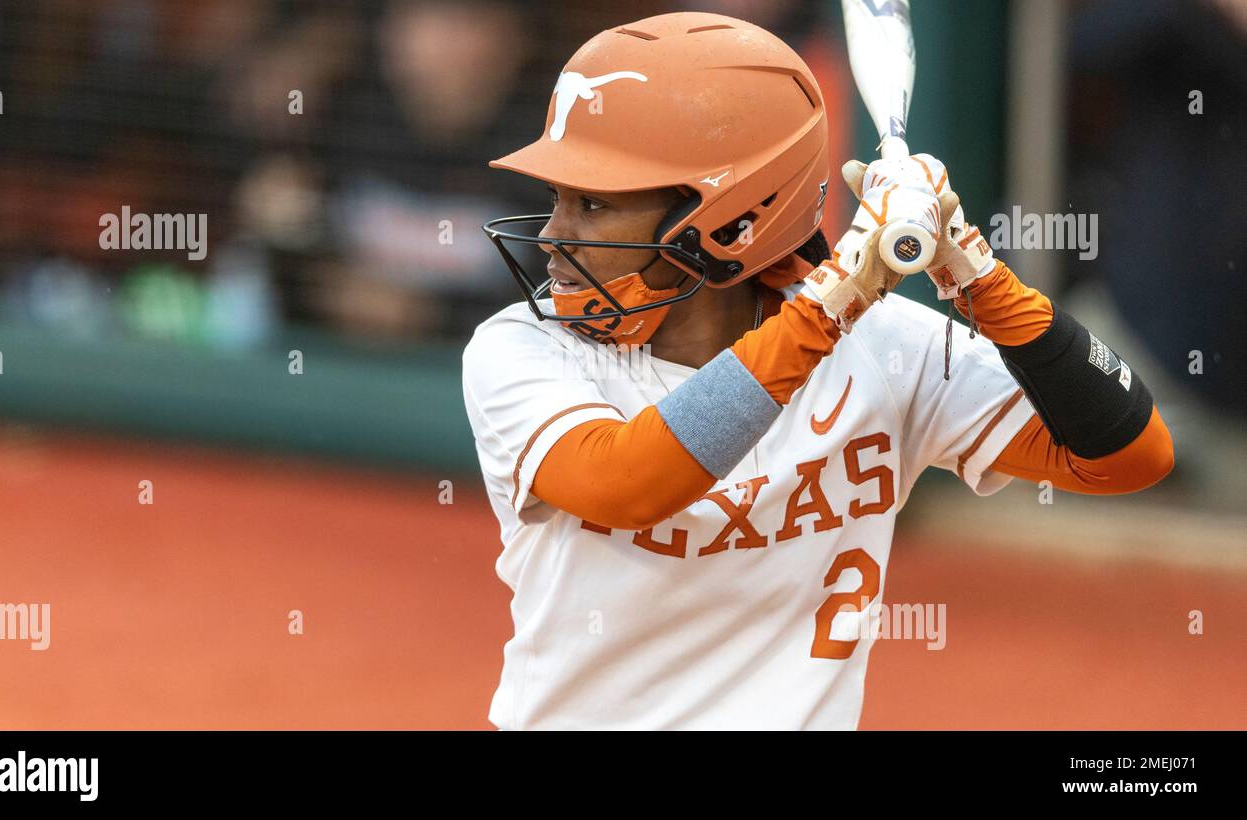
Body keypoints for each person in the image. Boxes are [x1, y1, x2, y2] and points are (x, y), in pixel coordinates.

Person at [463, 11, 1174, 730]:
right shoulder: (523, 347)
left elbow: (1130, 456)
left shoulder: (887, 347)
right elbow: (626, 482)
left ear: (729, 222)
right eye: (558, 198)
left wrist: (978, 275)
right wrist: (839, 297)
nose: (555, 233)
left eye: (591, 203)